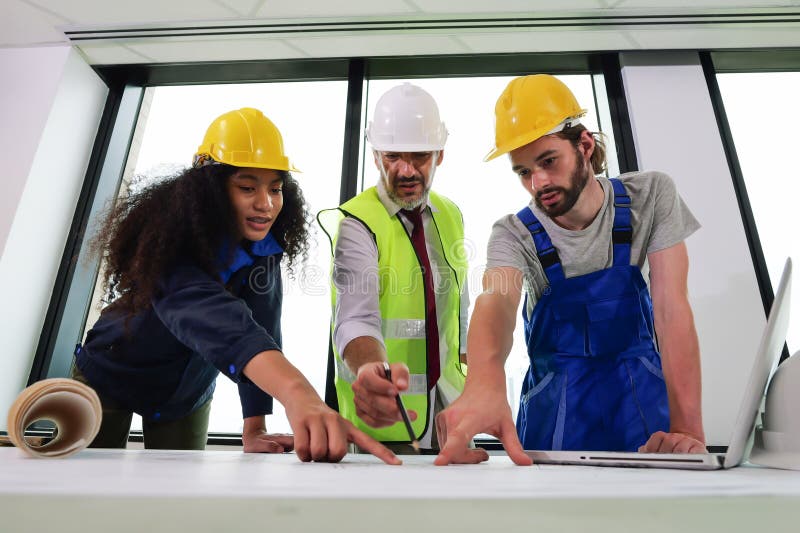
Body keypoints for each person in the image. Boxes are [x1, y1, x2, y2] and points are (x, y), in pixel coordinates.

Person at [72, 107, 399, 464]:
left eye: (275, 188)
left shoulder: (263, 250)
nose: (266, 204)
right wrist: (297, 393)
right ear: (209, 190)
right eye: (247, 187)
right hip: (111, 376)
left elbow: (260, 330)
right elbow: (224, 323)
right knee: (85, 492)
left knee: (176, 505)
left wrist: (254, 425)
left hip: (186, 391)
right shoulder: (171, 247)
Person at [434, 74, 706, 466]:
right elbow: (496, 300)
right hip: (555, 429)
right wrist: (483, 382)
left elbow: (671, 309)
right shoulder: (514, 234)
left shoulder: (652, 197)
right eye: (524, 172)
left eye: (548, 161)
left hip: (646, 420)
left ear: (584, 145)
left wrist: (687, 432)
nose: (538, 183)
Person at [318, 83, 469, 453]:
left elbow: (459, 313)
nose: (405, 170)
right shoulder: (358, 223)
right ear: (374, 156)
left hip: (449, 413)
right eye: (392, 157)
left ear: (440, 155)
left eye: (419, 157)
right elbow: (355, 318)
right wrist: (372, 371)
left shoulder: (450, 215)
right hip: (385, 416)